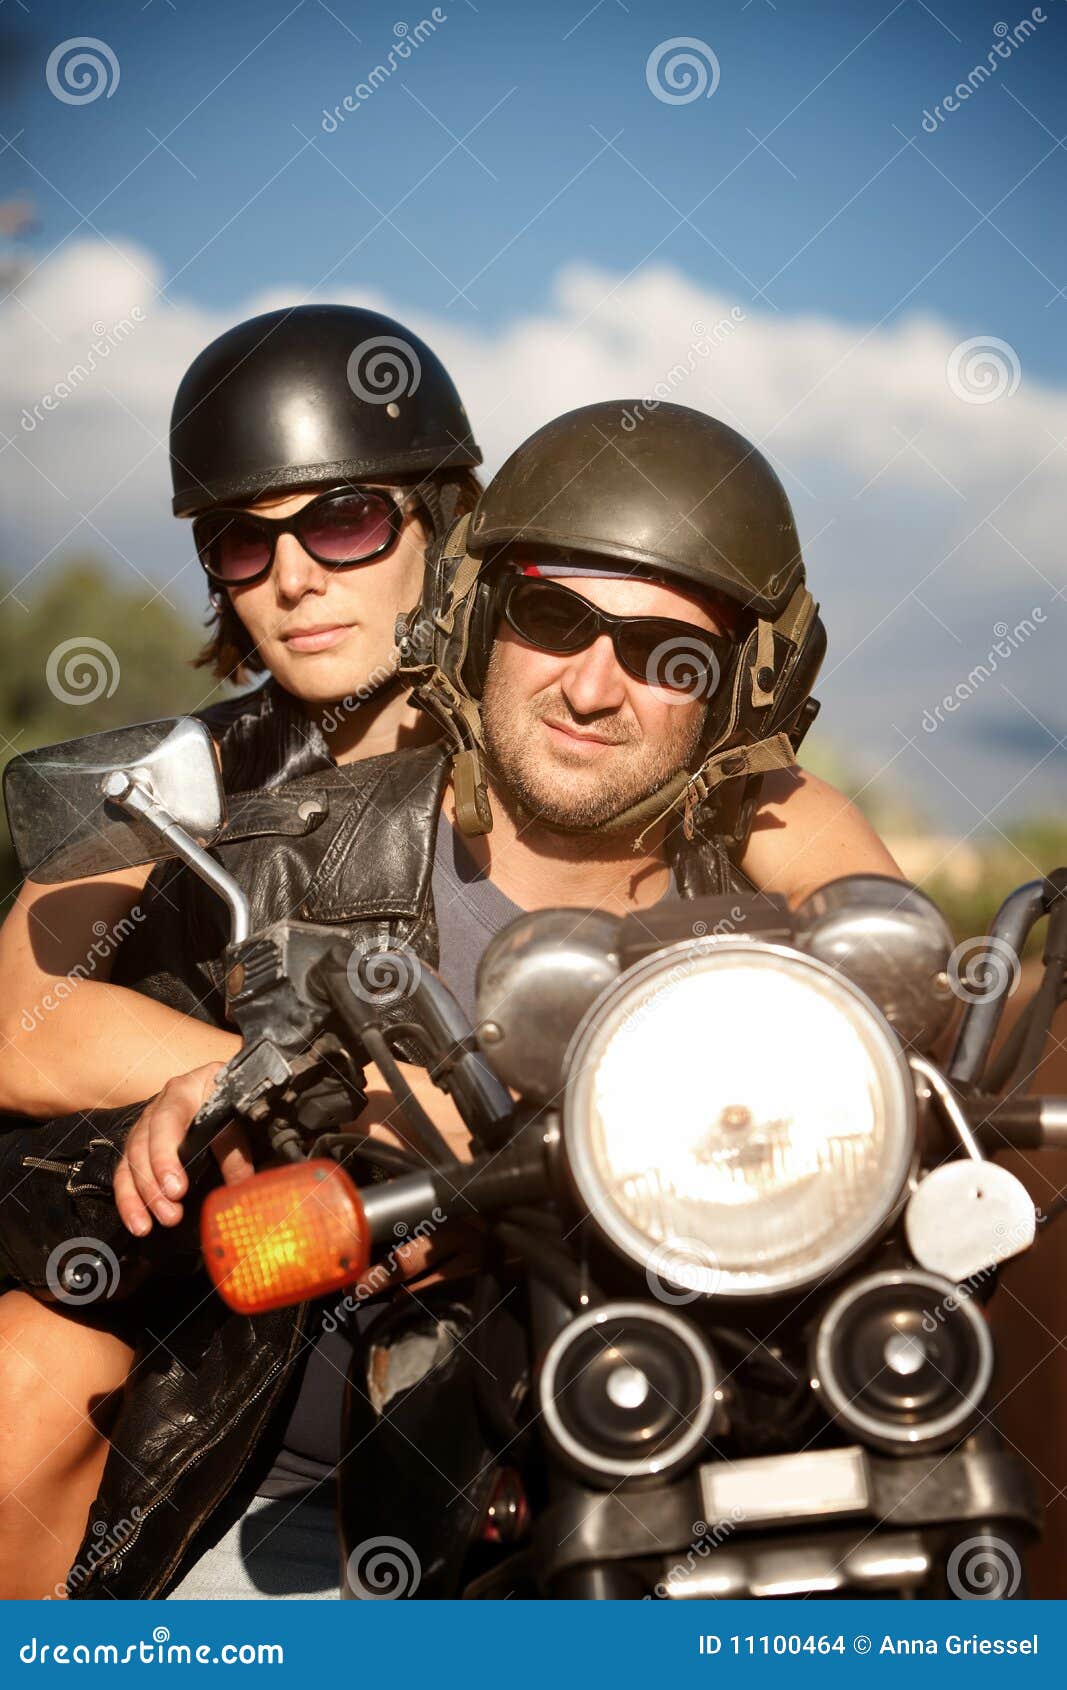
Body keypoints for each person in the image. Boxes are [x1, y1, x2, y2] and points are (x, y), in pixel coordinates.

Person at [0, 401, 902, 1598]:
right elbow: (34, 1031)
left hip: (620, 1467)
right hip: (262, 1469)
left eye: (662, 652)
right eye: (550, 617)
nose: (591, 685)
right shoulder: (250, 835)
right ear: (481, 616)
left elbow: (887, 949)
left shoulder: (754, 886)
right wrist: (250, 1085)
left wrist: (893, 957)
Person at [0, 301, 483, 1597]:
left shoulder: (567, 734)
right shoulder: (183, 772)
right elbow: (22, 1017)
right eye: (241, 540)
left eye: (342, 519)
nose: (294, 574)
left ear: (441, 521)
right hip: (251, 1360)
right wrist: (294, 1078)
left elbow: (777, 815)